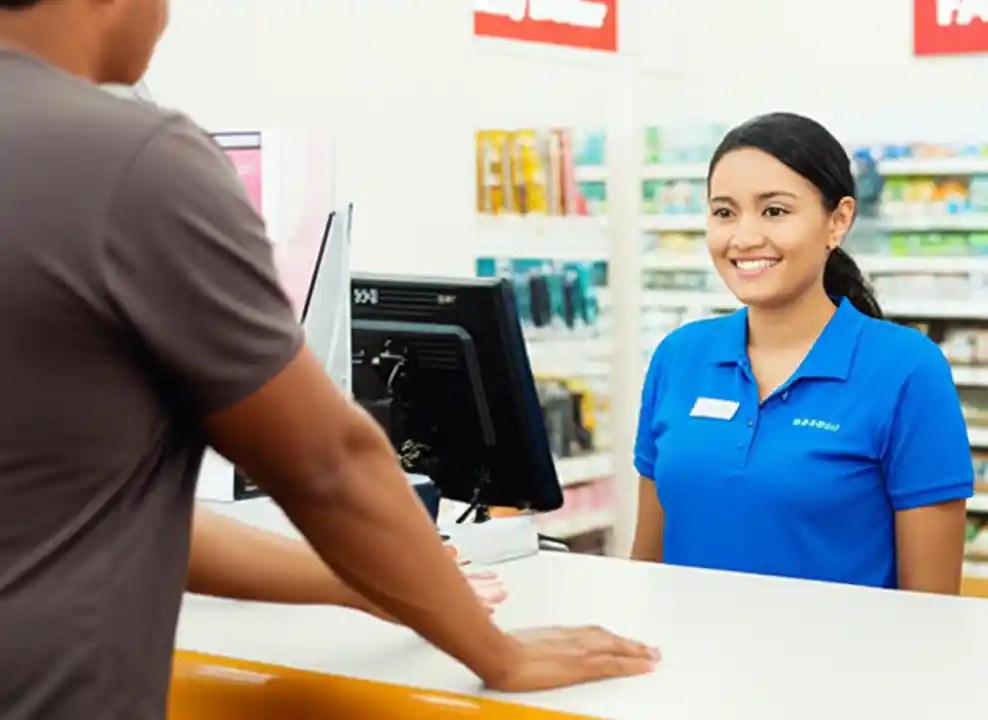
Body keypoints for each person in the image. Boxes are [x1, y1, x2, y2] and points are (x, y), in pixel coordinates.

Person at [0, 1, 657, 718]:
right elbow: (328, 464)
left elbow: (96, 513)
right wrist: (498, 651)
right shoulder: (129, 159)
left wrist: (364, 580)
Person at [630, 112, 974, 594]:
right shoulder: (679, 357)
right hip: (686, 663)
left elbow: (932, 604)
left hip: (837, 668)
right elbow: (646, 567)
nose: (744, 237)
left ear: (838, 221)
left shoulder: (906, 370)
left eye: (774, 211)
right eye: (724, 212)